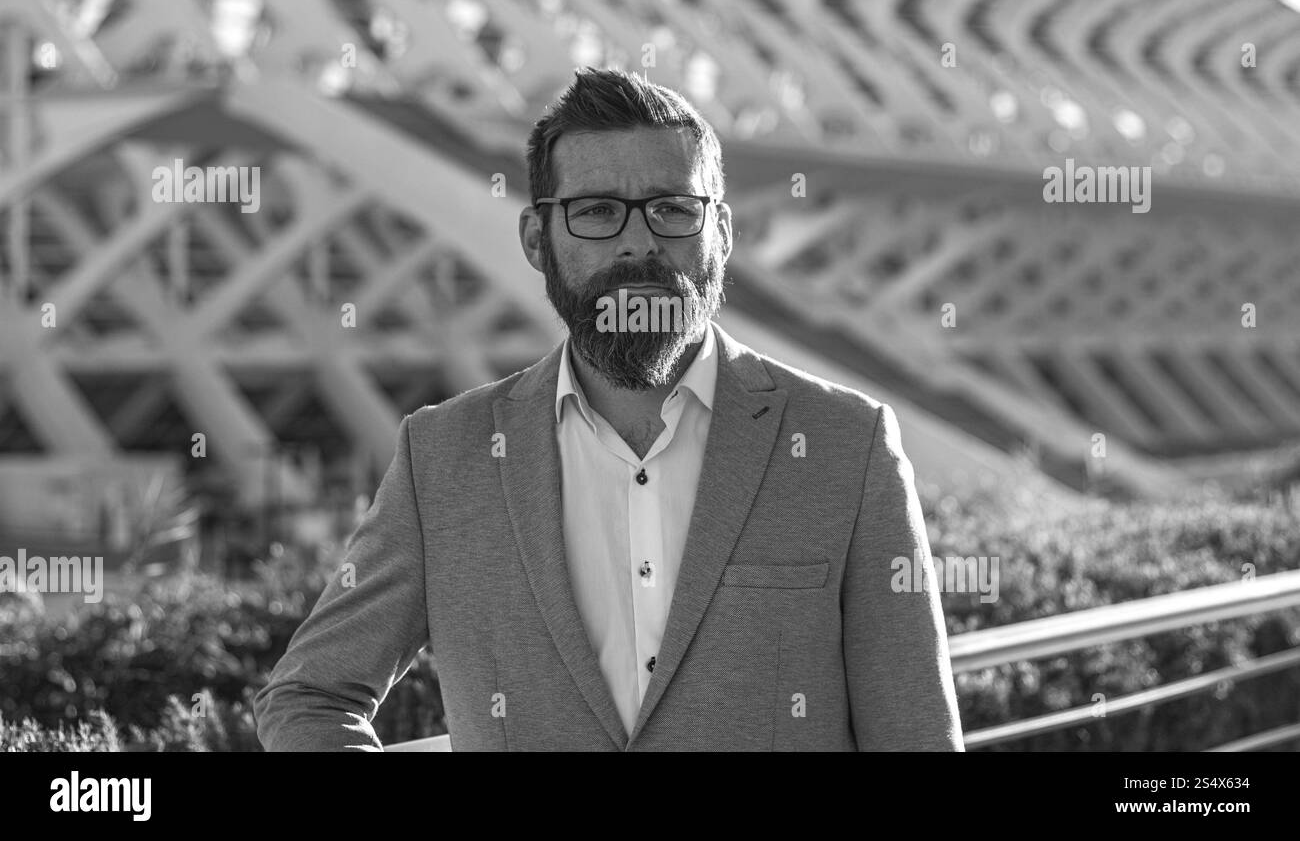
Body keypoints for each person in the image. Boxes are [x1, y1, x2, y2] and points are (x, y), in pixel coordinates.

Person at [255, 68, 964, 751]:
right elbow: (310, 695)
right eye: (596, 211)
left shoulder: (845, 444)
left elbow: (916, 737)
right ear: (538, 240)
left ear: (721, 234)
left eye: (673, 209)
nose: (639, 242)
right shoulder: (446, 459)